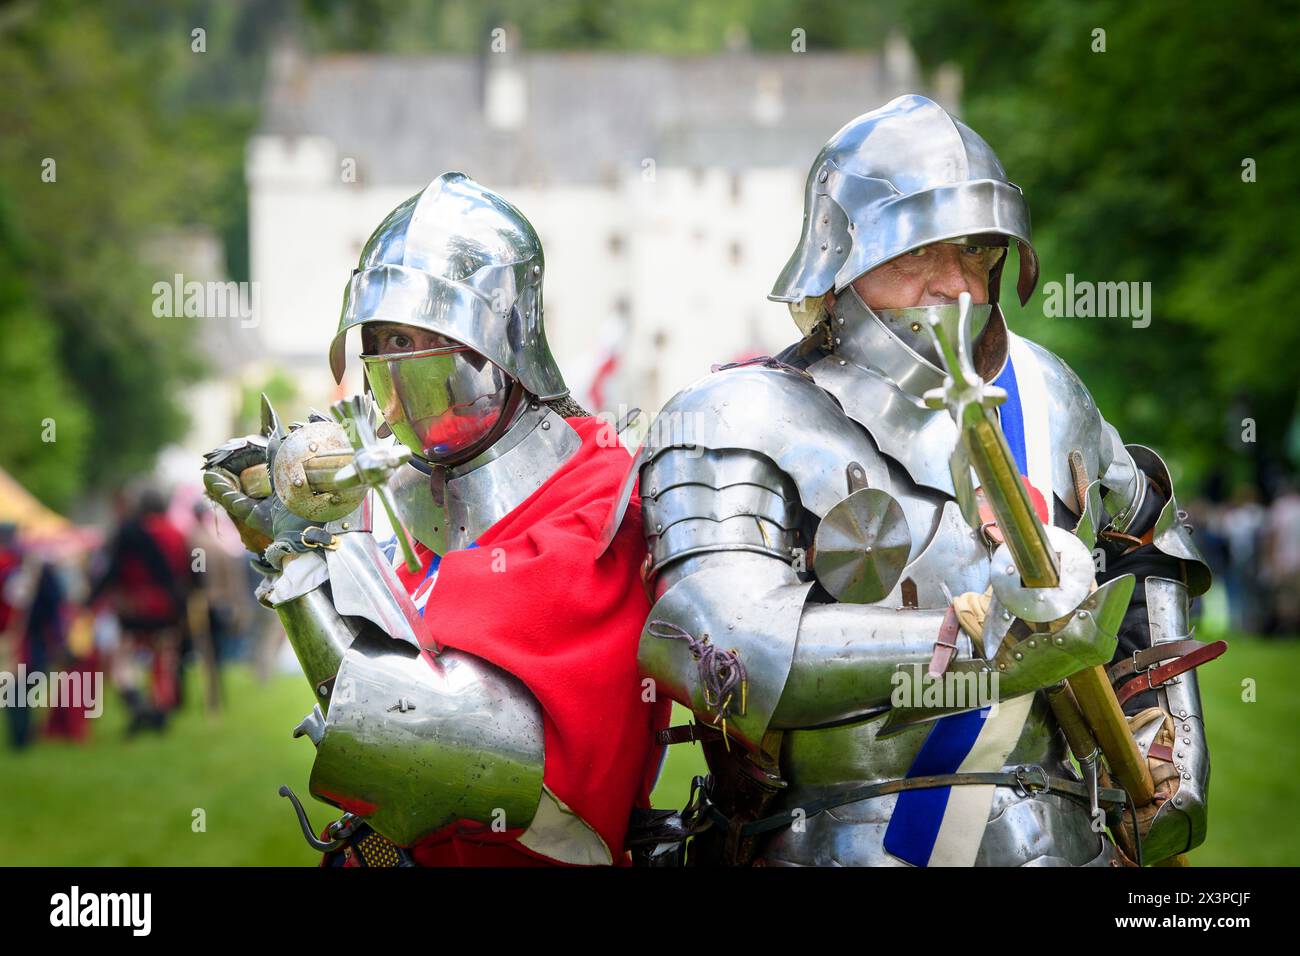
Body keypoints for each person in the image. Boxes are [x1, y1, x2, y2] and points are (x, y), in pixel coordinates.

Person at [605, 95, 1216, 866]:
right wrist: (979, 644)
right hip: (836, 840)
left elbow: (1151, 537)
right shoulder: (736, 415)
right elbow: (717, 647)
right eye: (915, 255)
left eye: (974, 254)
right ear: (839, 266)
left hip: (1063, 839)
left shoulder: (1048, 394)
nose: (954, 286)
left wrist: (1170, 753)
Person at [203, 172, 670, 866]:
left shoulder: (599, 499)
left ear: (498, 349)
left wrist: (300, 568)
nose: (396, 366)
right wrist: (296, 538)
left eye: (421, 338)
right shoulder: (401, 493)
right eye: (382, 340)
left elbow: (447, 744)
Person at [86, 489, 191, 734]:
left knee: (124, 660)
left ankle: (138, 705)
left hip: (133, 605)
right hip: (166, 605)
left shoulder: (130, 531)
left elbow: (113, 570)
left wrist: (91, 600)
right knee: (164, 660)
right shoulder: (176, 533)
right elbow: (186, 571)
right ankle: (160, 710)